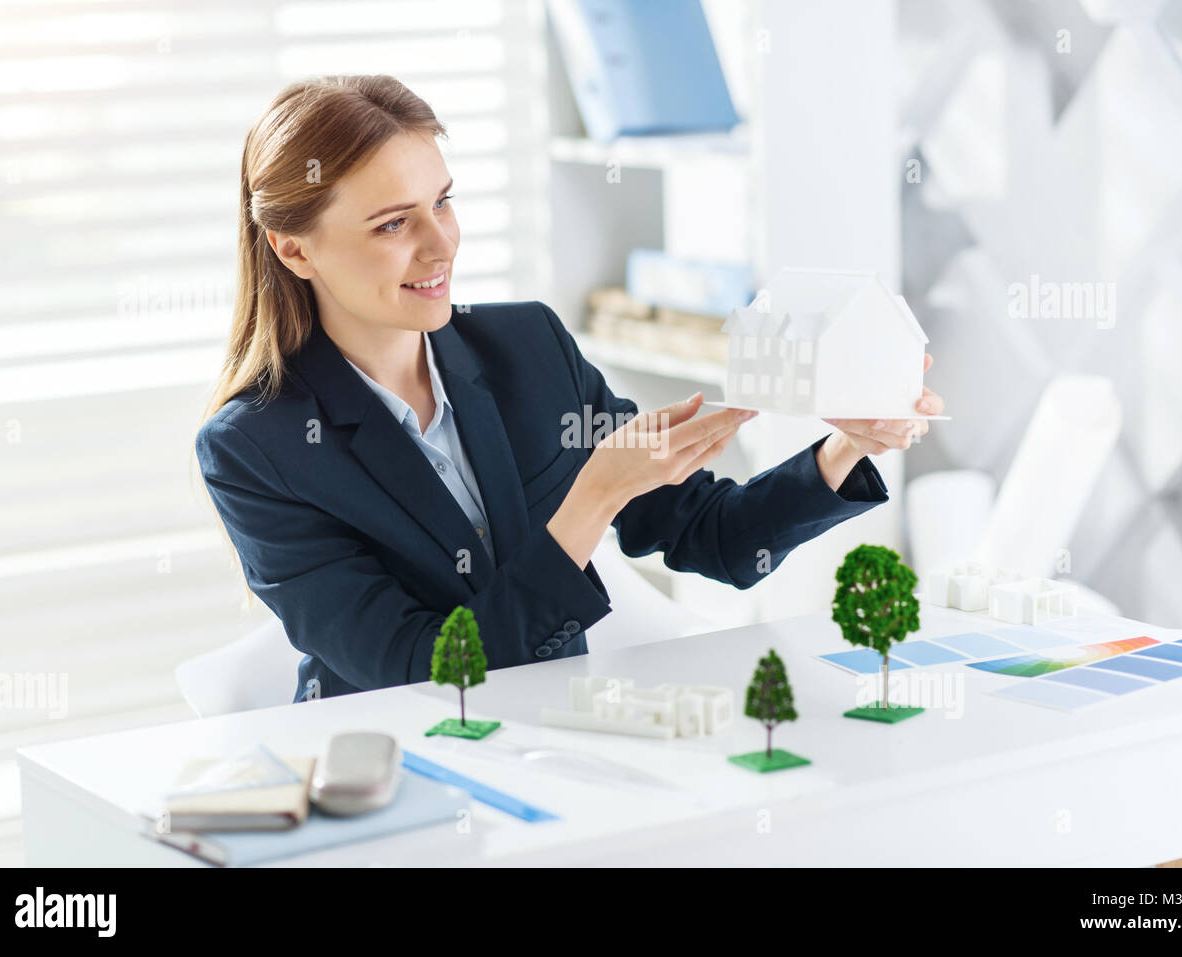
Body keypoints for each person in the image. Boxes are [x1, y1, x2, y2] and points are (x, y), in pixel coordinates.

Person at [194, 75, 945, 702]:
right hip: (397, 769)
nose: (441, 244)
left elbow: (712, 537)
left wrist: (847, 447)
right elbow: (426, 671)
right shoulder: (257, 449)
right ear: (294, 248)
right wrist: (593, 500)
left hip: (562, 742)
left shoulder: (527, 348)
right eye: (392, 225)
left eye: (443, 202)